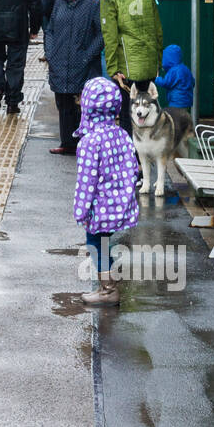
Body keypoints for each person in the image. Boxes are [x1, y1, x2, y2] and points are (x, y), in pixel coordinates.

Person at [72, 76, 141, 306]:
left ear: (89, 107)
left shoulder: (89, 142)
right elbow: (132, 170)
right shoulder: (122, 135)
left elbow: (86, 183)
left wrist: (80, 211)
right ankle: (108, 285)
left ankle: (108, 290)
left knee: (95, 243)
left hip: (99, 208)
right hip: (119, 205)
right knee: (103, 243)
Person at [99, 0, 163, 130]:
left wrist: (112, 68)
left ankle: (130, 154)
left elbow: (110, 36)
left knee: (129, 112)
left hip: (126, 69)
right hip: (149, 65)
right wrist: (159, 61)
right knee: (148, 110)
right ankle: (147, 153)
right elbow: (157, 30)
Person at [44, 0, 102, 155]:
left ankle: (85, 144)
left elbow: (101, 34)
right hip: (60, 62)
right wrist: (50, 52)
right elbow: (50, 30)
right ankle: (67, 143)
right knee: (63, 103)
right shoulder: (59, 4)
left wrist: (87, 55)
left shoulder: (93, 4)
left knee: (84, 105)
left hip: (84, 63)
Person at [155, 44, 195, 111]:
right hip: (187, 102)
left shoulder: (173, 71)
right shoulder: (185, 69)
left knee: (176, 119)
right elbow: (193, 82)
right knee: (184, 118)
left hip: (176, 103)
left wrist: (157, 79)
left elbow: (165, 83)